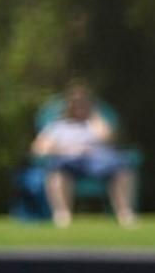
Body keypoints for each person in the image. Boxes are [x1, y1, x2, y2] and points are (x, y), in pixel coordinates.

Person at [31, 79, 137, 228]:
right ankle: (63, 216)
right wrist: (65, 150)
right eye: (75, 103)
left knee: (121, 167)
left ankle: (125, 214)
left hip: (98, 160)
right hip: (69, 160)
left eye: (83, 102)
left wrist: (93, 114)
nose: (79, 106)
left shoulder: (94, 123)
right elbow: (39, 148)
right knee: (56, 171)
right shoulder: (58, 126)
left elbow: (108, 138)